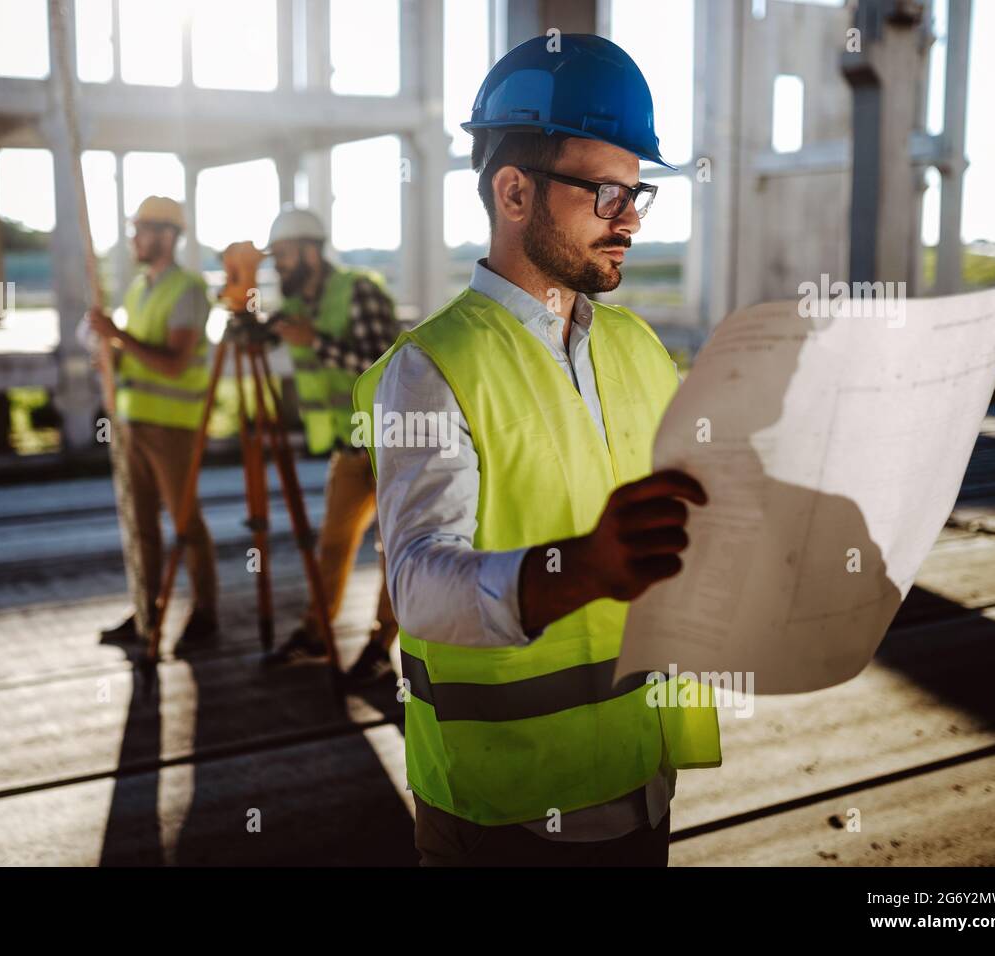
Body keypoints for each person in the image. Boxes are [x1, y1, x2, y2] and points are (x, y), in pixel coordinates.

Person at [353, 35, 722, 866]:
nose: (628, 218)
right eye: (604, 192)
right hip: (504, 816)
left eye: (637, 193)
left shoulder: (638, 349)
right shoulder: (430, 369)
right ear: (513, 190)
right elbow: (416, 586)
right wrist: (583, 566)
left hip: (644, 781)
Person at [262, 206, 401, 688]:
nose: (277, 264)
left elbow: (384, 361)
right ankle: (317, 631)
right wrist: (244, 306)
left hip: (394, 440)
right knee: (333, 543)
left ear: (307, 250)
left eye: (281, 254)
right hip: (350, 444)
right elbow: (260, 337)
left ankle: (382, 646)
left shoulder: (357, 291)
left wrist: (316, 342)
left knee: (394, 550)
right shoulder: (299, 304)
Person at [88, 196, 219, 655]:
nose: (133, 239)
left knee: (185, 522)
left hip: (172, 427)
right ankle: (147, 610)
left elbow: (174, 364)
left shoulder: (187, 290)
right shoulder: (139, 288)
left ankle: (205, 611)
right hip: (133, 422)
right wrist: (112, 353)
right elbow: (139, 354)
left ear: (165, 236)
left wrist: (117, 337)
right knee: (140, 523)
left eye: (141, 230)